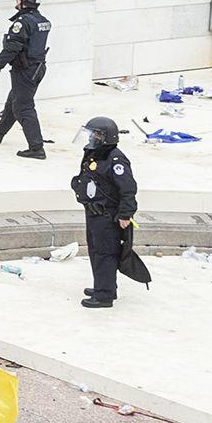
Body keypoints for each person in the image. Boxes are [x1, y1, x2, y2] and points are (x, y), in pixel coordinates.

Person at [72, 117, 144, 309]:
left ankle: (104, 296)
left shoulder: (116, 159)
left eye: (95, 135)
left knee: (105, 253)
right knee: (95, 251)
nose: (91, 138)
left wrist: (125, 215)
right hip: (94, 213)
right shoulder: (95, 154)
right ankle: (103, 286)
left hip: (107, 216)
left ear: (106, 138)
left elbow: (128, 188)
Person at [0, 0, 49, 159]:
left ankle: (36, 148)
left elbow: (11, 49)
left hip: (26, 70)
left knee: (23, 107)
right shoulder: (42, 21)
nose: (16, 0)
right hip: (37, 68)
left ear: (24, 3)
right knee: (14, 100)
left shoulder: (22, 23)